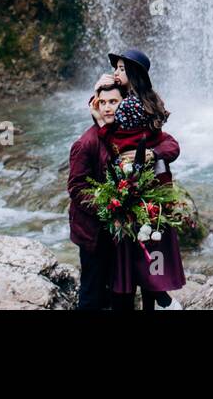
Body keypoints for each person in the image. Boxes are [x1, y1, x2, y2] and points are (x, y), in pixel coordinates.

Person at [102, 49, 186, 310]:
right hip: (155, 185)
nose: (116, 73)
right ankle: (158, 298)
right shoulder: (149, 100)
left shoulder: (128, 104)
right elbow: (161, 139)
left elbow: (113, 136)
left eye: (121, 69)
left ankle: (162, 298)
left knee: (139, 243)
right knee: (150, 241)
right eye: (115, 68)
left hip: (137, 184)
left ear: (134, 74)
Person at [66, 75, 123, 310]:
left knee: (113, 289)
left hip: (114, 230)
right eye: (103, 103)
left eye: (113, 102)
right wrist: (109, 207)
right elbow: (76, 188)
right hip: (92, 233)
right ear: (96, 105)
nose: (108, 107)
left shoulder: (120, 135)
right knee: (92, 292)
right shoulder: (85, 143)